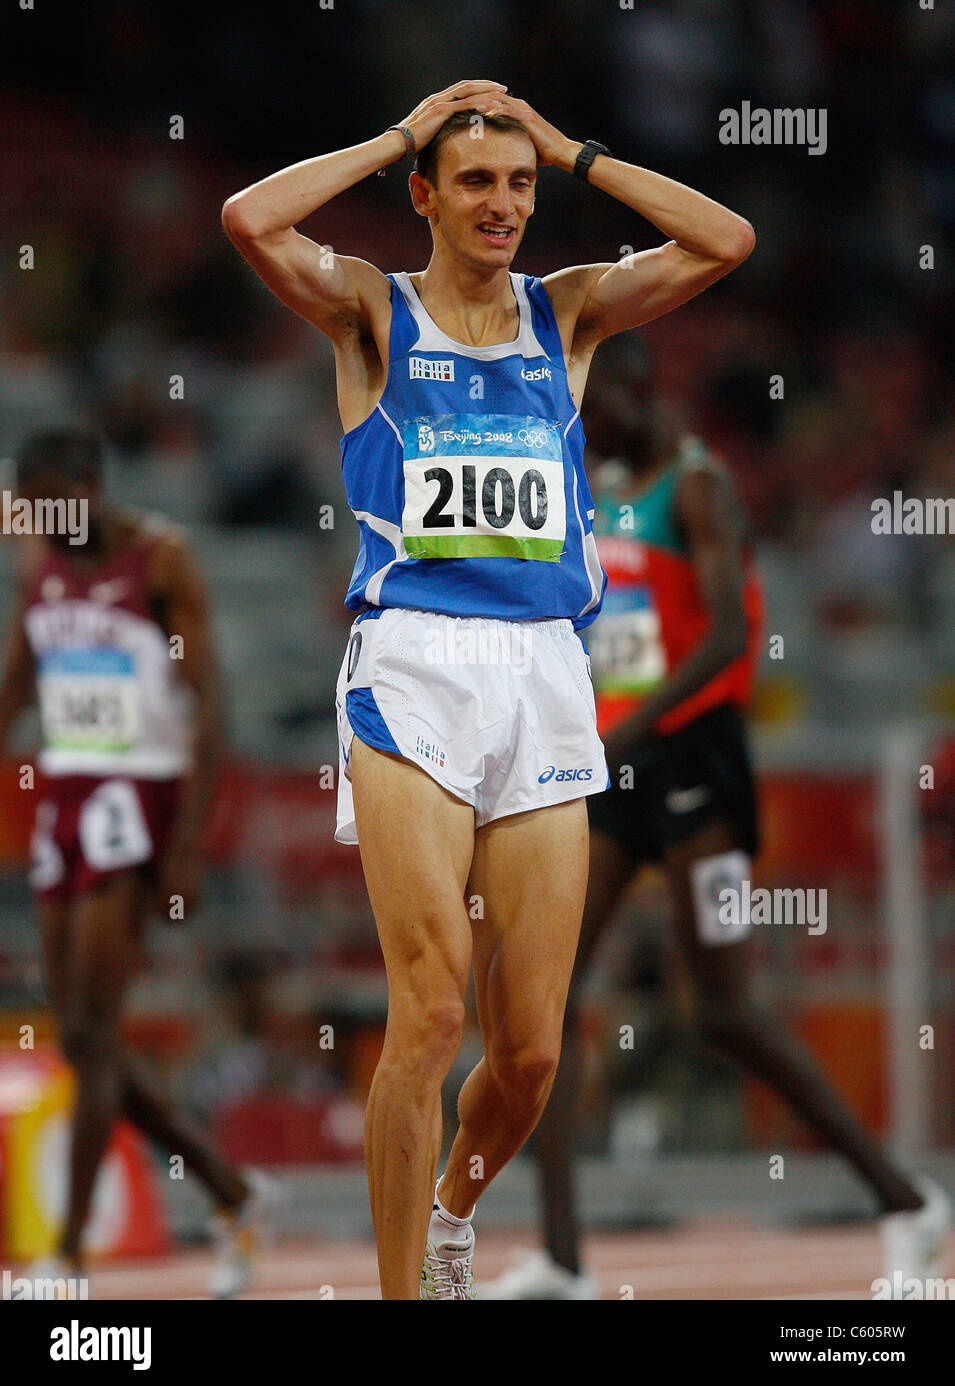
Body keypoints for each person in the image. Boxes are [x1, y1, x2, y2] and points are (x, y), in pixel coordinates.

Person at [222, 79, 755, 1300]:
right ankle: (401, 1292)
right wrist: (402, 131)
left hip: (544, 679)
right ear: (426, 195)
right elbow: (251, 221)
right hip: (415, 663)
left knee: (525, 1056)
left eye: (517, 184)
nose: (503, 202)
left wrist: (577, 152)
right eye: (476, 180)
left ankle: (456, 1212)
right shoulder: (370, 311)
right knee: (427, 1013)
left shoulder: (564, 317)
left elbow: (726, 241)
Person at [479, 334, 952, 1299]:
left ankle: (906, 1201)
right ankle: (563, 1257)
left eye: (596, 407)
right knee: (547, 1001)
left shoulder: (698, 489)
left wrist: (630, 729)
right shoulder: (598, 486)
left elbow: (733, 641)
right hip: (613, 770)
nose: (585, 426)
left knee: (722, 1011)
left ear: (639, 391)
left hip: (698, 766)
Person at [0, 426, 275, 1298]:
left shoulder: (164, 562)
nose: (47, 522)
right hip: (68, 794)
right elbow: (21, 675)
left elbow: (213, 711)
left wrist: (188, 844)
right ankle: (230, 1188)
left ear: (92, 483)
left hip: (139, 797)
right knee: (85, 1039)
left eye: (60, 502)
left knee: (94, 1030)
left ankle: (68, 1257)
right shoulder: (37, 562)